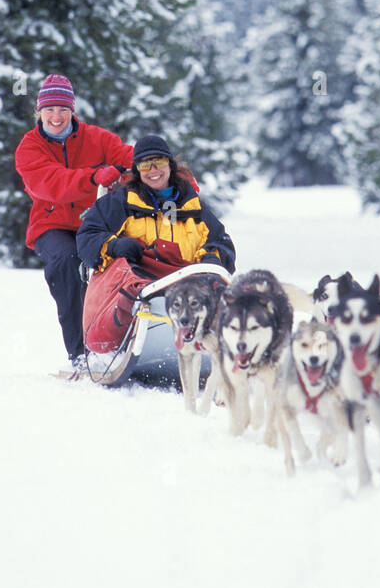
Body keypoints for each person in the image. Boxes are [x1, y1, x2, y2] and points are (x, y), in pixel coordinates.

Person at [15, 75, 133, 371]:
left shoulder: (99, 138)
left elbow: (131, 158)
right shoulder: (29, 147)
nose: (56, 117)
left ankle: (126, 338)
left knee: (124, 257)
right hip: (52, 225)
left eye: (63, 109)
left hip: (94, 223)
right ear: (39, 111)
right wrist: (94, 175)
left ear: (73, 110)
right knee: (67, 263)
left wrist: (166, 170)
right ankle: (80, 353)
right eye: (50, 109)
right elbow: (50, 183)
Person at [76, 133, 235, 278]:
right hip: (135, 289)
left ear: (170, 165)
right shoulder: (121, 202)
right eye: (145, 164)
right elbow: (88, 236)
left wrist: (211, 258)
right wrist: (114, 246)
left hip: (187, 288)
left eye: (159, 162)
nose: (153, 170)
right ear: (137, 171)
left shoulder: (192, 206)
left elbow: (221, 243)